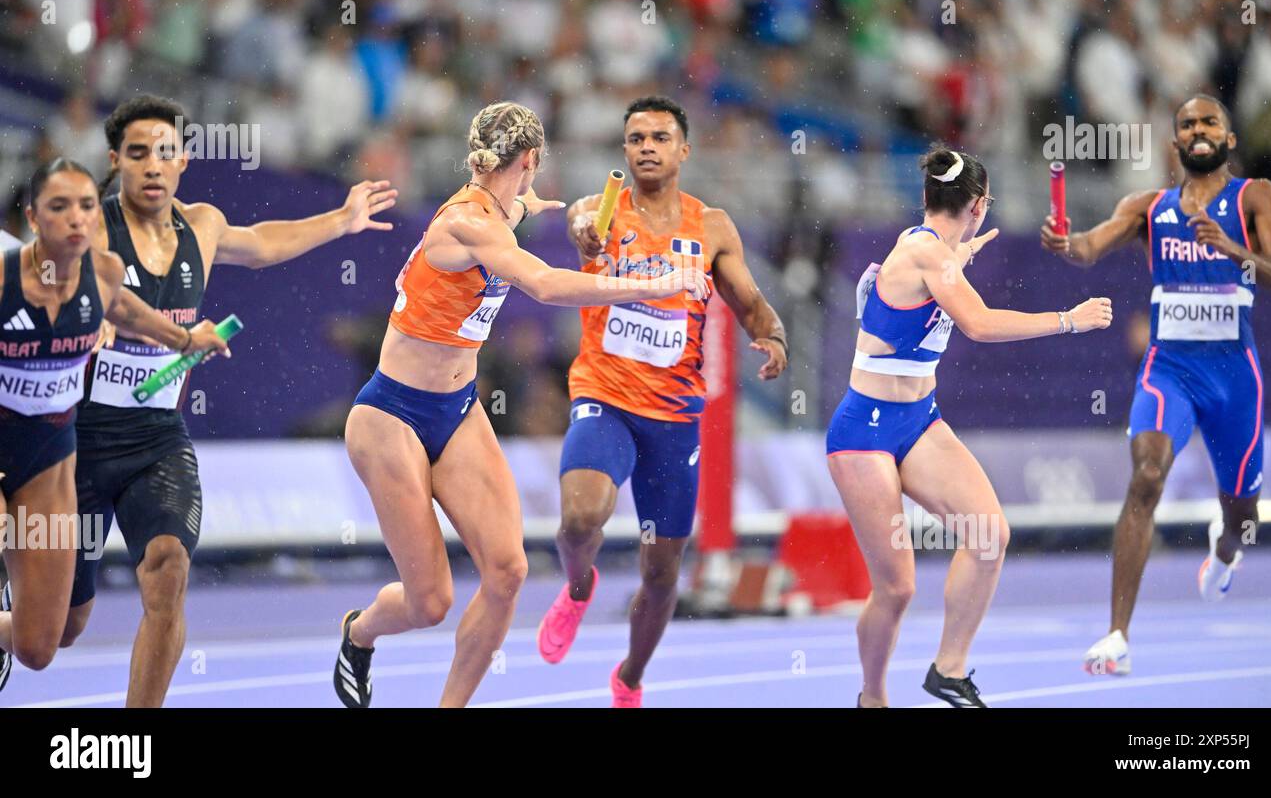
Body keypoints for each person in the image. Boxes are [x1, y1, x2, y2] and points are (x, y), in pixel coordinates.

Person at [333, 101, 709, 708]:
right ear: (531, 160)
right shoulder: (468, 225)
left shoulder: (503, 206)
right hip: (389, 417)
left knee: (507, 573)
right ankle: (360, 632)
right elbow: (547, 284)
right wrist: (654, 285)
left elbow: (514, 205)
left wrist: (529, 203)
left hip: (456, 409)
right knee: (430, 602)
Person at [55, 94, 397, 708]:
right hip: (75, 438)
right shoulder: (90, 230)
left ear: (184, 161)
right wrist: (141, 328)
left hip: (156, 439)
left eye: (164, 153)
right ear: (116, 161)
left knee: (168, 571)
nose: (153, 166)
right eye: (138, 154)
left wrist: (340, 221)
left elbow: (263, 243)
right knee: (61, 628)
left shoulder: (204, 226)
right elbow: (84, 294)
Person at [829, 147, 1111, 707]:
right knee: (897, 587)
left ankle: (948, 670)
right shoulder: (926, 253)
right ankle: (873, 698)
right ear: (979, 205)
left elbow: (924, 283)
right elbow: (979, 325)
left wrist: (962, 251)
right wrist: (1068, 320)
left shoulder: (933, 251)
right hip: (864, 430)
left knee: (989, 536)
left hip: (918, 420)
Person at [537, 95, 788, 707]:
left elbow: (750, 303)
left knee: (661, 572)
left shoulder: (712, 226)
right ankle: (577, 586)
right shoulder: (600, 210)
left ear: (683, 150)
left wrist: (773, 335)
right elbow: (582, 233)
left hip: (674, 421)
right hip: (607, 399)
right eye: (635, 138)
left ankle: (629, 678)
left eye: (659, 137)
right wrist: (586, 237)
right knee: (578, 520)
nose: (646, 147)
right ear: (624, 150)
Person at [1040, 94, 1271, 676]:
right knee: (1146, 475)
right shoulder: (1147, 206)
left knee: (1242, 516)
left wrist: (1232, 248)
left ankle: (1225, 551)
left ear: (1229, 139)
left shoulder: (1256, 197)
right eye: (1187, 124)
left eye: (1209, 122)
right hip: (1169, 370)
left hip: (1234, 377)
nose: (1198, 130)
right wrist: (1065, 241)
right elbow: (1087, 247)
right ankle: (1116, 637)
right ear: (1174, 143)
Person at [0, 158, 225, 692]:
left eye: (84, 206)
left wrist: (192, 340)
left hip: (49, 459)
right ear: (34, 218)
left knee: (41, 645)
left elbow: (133, 313)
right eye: (59, 207)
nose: (77, 219)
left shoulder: (101, 277)